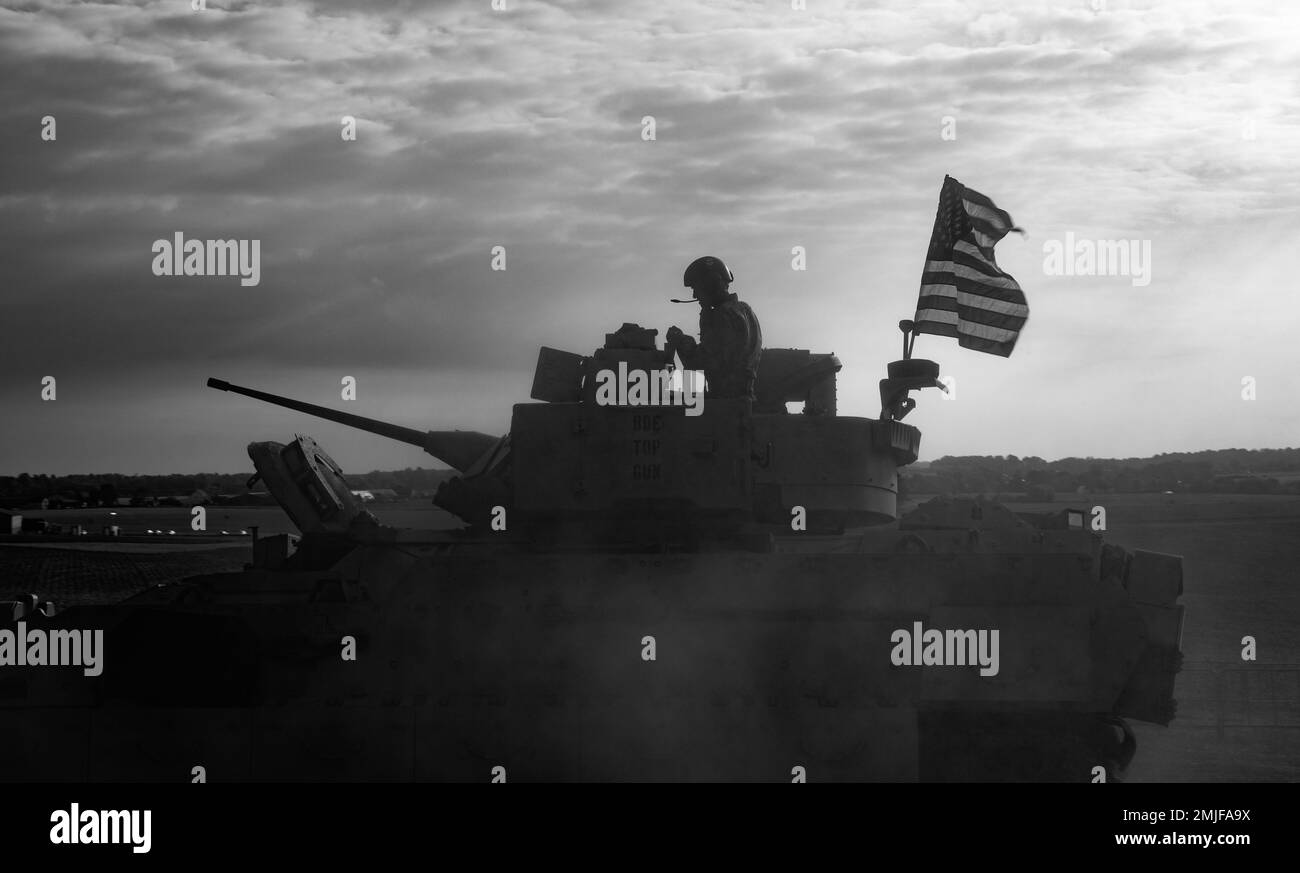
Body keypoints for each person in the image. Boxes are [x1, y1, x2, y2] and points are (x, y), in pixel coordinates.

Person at [667, 256, 762, 400]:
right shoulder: (745, 310)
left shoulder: (723, 315)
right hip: (741, 398)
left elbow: (706, 362)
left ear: (710, 285)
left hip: (725, 404)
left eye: (696, 288)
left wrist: (682, 343)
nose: (694, 295)